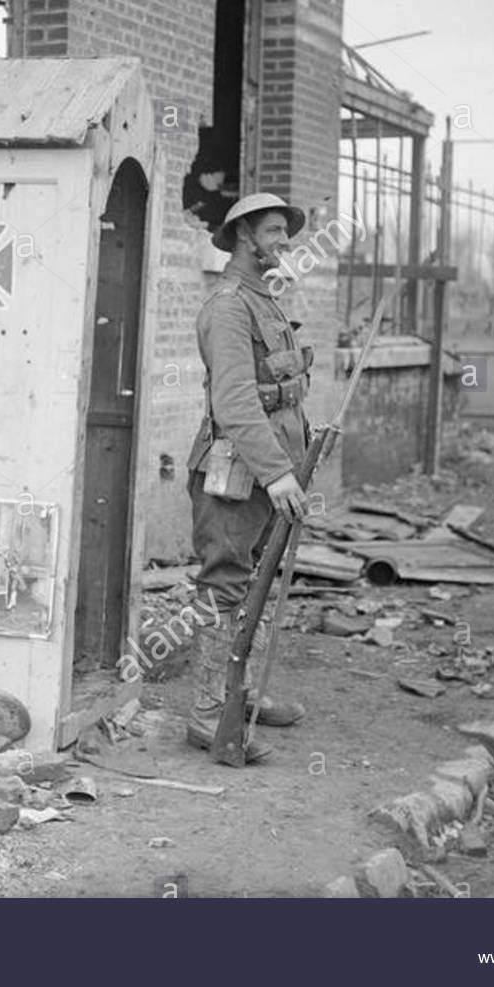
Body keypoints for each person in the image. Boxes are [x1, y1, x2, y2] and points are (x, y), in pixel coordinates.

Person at [184, 192, 314, 763]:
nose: (284, 242)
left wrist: (297, 459)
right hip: (236, 474)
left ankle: (243, 695)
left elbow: (284, 394)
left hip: (271, 471)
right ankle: (210, 712)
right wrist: (280, 474)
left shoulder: (269, 301)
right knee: (225, 586)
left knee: (257, 579)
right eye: (273, 232)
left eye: (285, 232)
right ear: (243, 235)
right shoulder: (229, 307)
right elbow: (236, 402)